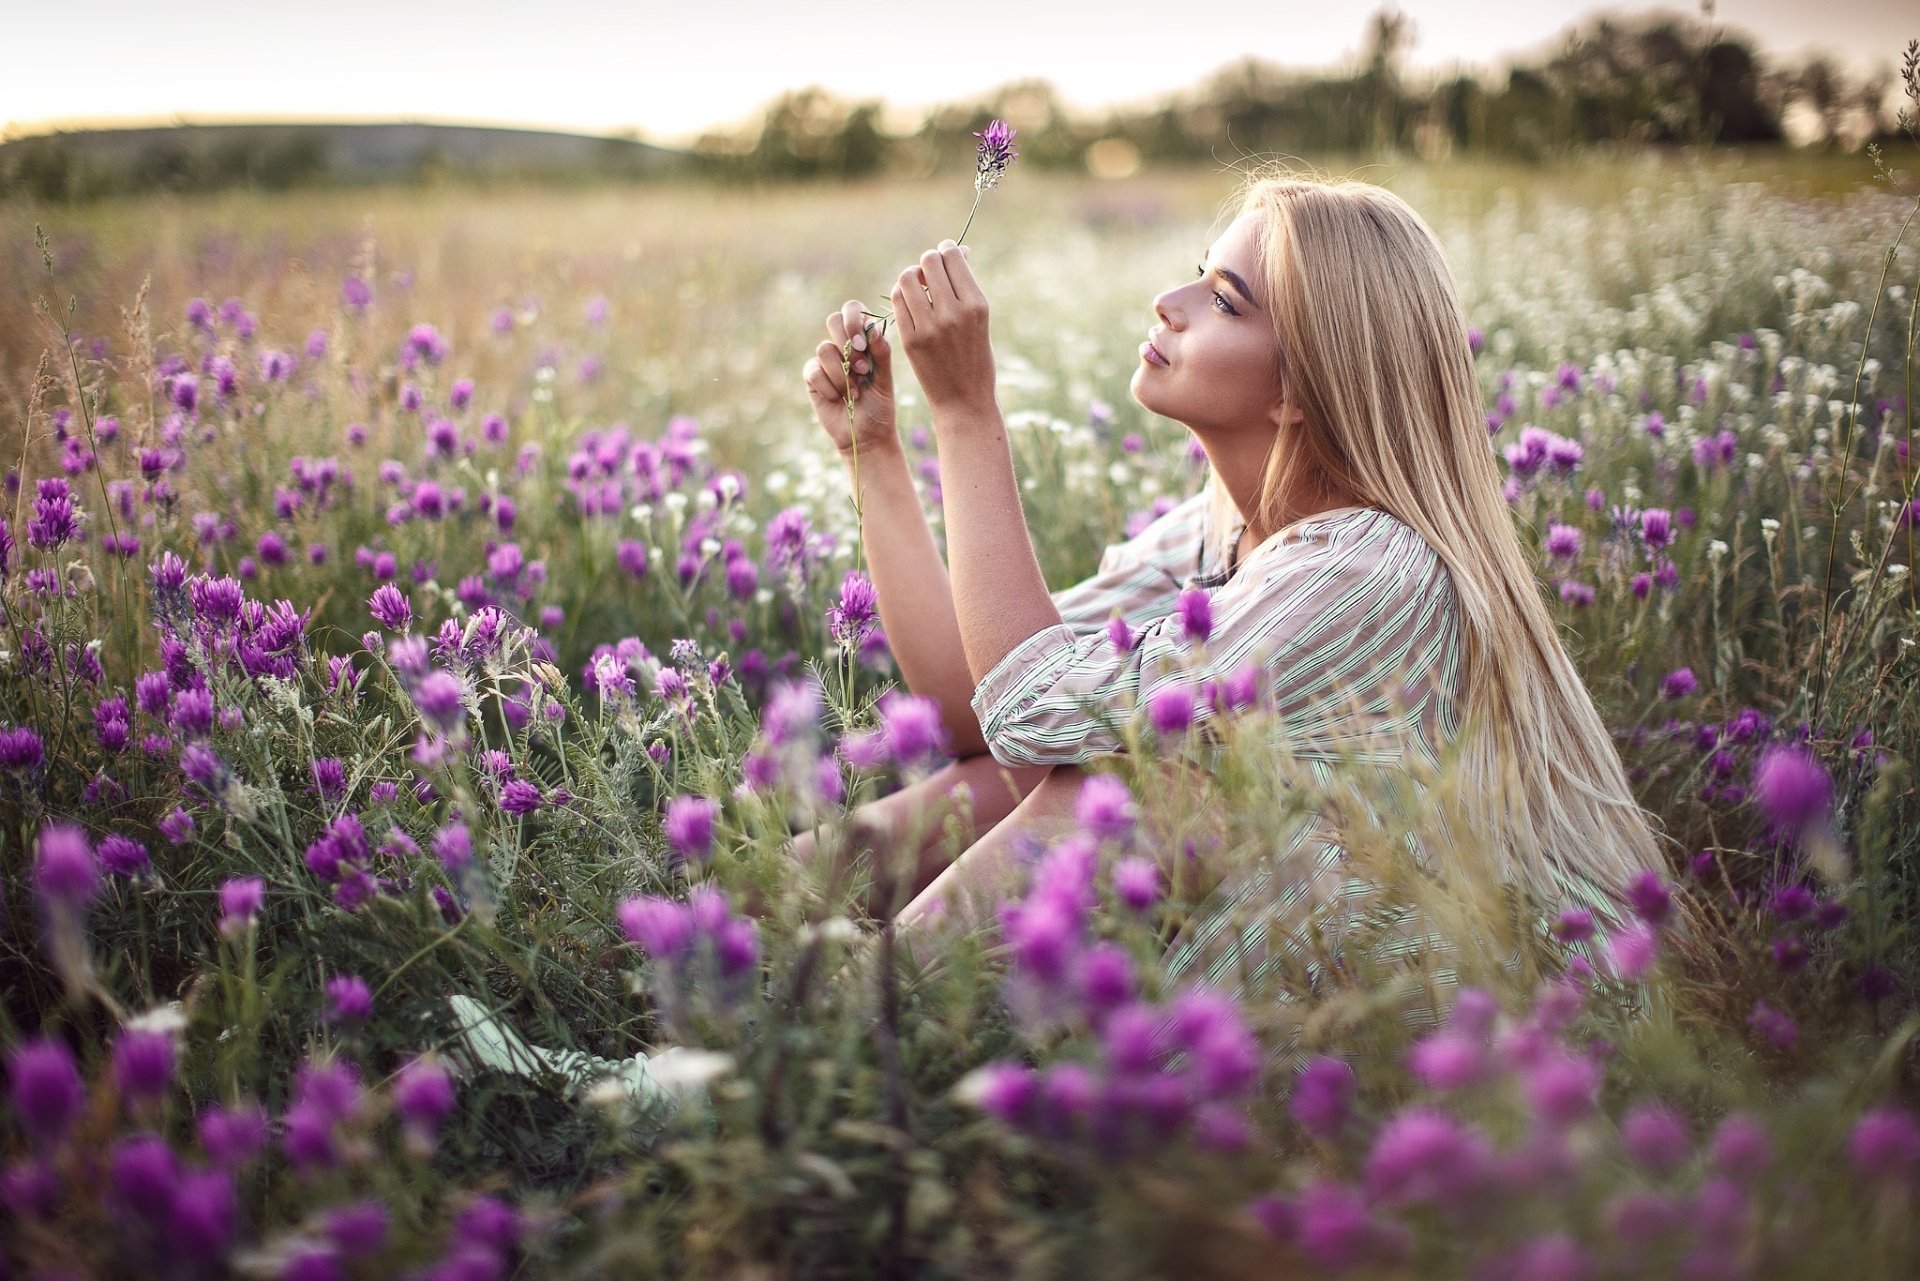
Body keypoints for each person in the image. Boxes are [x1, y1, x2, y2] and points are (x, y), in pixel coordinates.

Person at [796, 167, 1673, 984]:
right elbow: (969, 703)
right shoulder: (1224, 529)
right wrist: (873, 450)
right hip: (1271, 980)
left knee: (1127, 785)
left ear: (1299, 386)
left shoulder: (1369, 567)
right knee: (1046, 771)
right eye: (1196, 277)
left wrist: (964, 409)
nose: (1168, 304)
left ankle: (818, 1047)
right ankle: (713, 946)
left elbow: (1026, 707)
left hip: (1465, 1033)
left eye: (1222, 300)